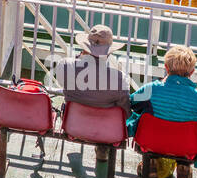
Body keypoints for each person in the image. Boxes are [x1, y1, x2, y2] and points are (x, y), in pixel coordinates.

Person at [126, 45, 197, 178]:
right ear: (192, 72)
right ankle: (184, 166)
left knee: (143, 116)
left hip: (151, 141)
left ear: (166, 68)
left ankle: (151, 161)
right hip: (186, 147)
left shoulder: (151, 88)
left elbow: (132, 103)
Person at [52, 25, 136, 162]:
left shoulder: (65, 66)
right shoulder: (119, 79)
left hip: (73, 126)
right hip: (107, 131)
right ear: (109, 52)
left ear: (85, 48)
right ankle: (103, 147)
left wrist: (79, 59)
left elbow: (64, 83)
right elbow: (125, 112)